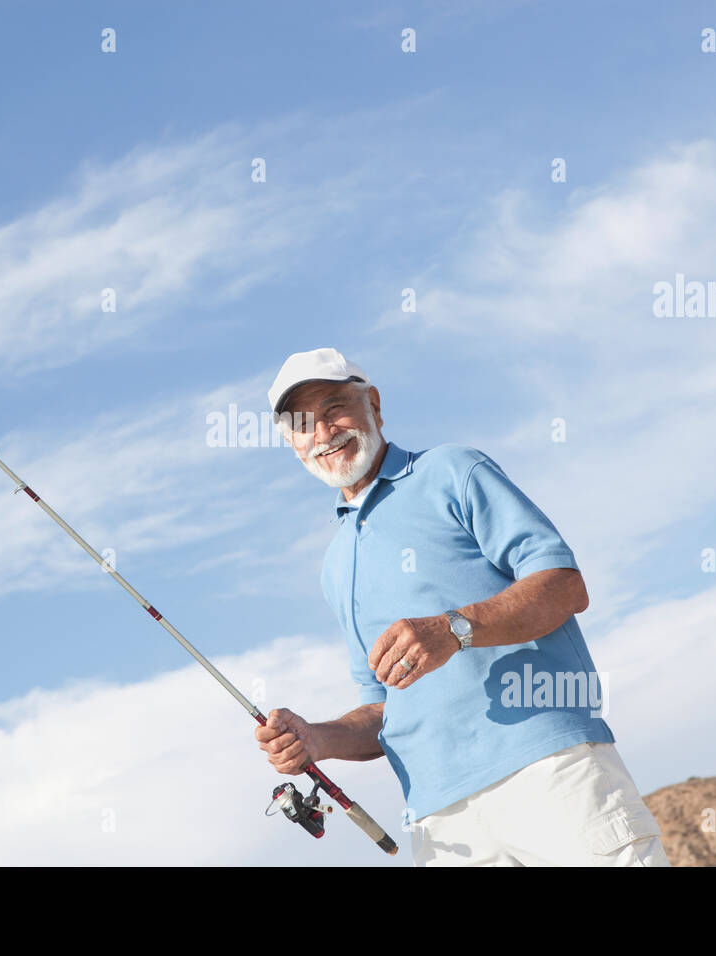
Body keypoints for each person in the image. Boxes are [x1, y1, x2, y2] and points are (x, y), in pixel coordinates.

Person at [255, 347, 671, 867]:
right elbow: (384, 709)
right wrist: (317, 739)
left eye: (335, 407)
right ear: (293, 446)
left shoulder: (453, 469)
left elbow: (564, 585)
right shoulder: (334, 565)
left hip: (548, 769)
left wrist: (455, 628)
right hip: (440, 823)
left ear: (375, 405)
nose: (323, 431)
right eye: (303, 424)